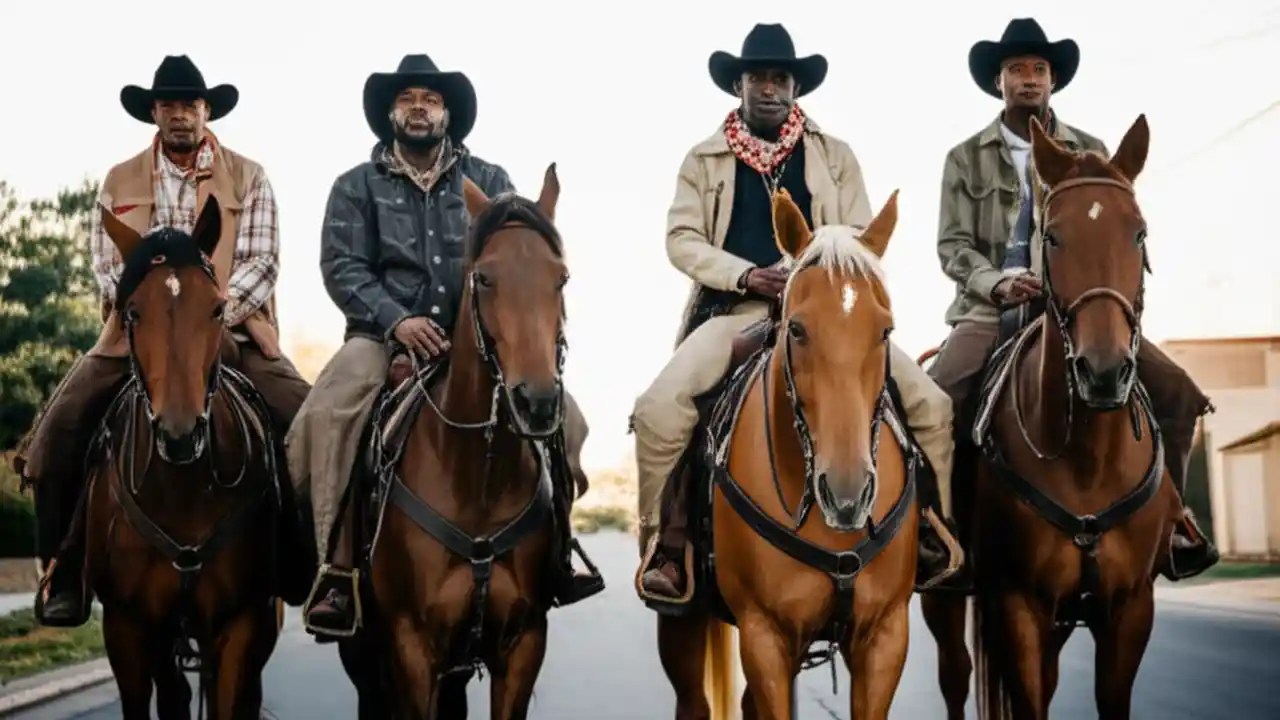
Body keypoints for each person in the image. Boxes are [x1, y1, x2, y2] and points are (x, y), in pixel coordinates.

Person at [634, 24, 962, 601]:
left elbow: (862, 238)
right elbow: (681, 238)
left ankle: (934, 528)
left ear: (794, 88)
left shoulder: (835, 156)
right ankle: (667, 545)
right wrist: (746, 273)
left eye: (779, 78)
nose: (769, 87)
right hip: (736, 310)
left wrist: (820, 277)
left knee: (931, 405)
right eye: (757, 77)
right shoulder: (703, 158)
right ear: (738, 84)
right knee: (660, 409)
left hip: (829, 314)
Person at [291, 54, 602, 636]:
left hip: (476, 339)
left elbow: (518, 265)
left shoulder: (491, 180)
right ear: (390, 112)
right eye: (406, 98)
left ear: (447, 113)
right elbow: (343, 267)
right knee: (328, 415)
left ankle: (558, 554)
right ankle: (336, 570)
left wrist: (485, 331)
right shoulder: (355, 186)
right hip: (381, 337)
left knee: (568, 419)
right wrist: (396, 323)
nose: (418, 107)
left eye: (429, 100)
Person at [12, 55, 313, 626]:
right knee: (55, 435)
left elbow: (262, 262)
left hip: (228, 328)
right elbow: (107, 265)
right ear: (154, 112)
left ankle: (304, 562)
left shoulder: (248, 176)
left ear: (207, 111)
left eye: (191, 104)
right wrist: (150, 310)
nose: (181, 115)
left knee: (305, 417)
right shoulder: (119, 180)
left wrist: (208, 313)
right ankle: (63, 574)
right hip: (137, 334)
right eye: (169, 105)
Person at [928, 18, 1218, 579]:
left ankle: (1172, 522)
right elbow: (952, 246)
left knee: (1180, 392)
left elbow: (1112, 233)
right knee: (938, 399)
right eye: (1017, 70)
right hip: (991, 309)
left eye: (1039, 69)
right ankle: (941, 528)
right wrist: (998, 282)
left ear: (1053, 80)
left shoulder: (1092, 150)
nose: (1028, 79)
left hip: (1084, 309)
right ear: (999, 83)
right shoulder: (964, 158)